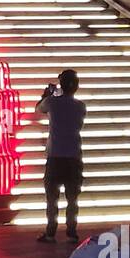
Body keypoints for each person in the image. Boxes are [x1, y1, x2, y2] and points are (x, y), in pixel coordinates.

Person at [34, 69, 86, 244]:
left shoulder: (52, 103)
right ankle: (72, 232)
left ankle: (50, 233)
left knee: (52, 198)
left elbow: (39, 108)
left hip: (55, 156)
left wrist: (47, 94)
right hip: (73, 156)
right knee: (72, 198)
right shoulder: (80, 106)